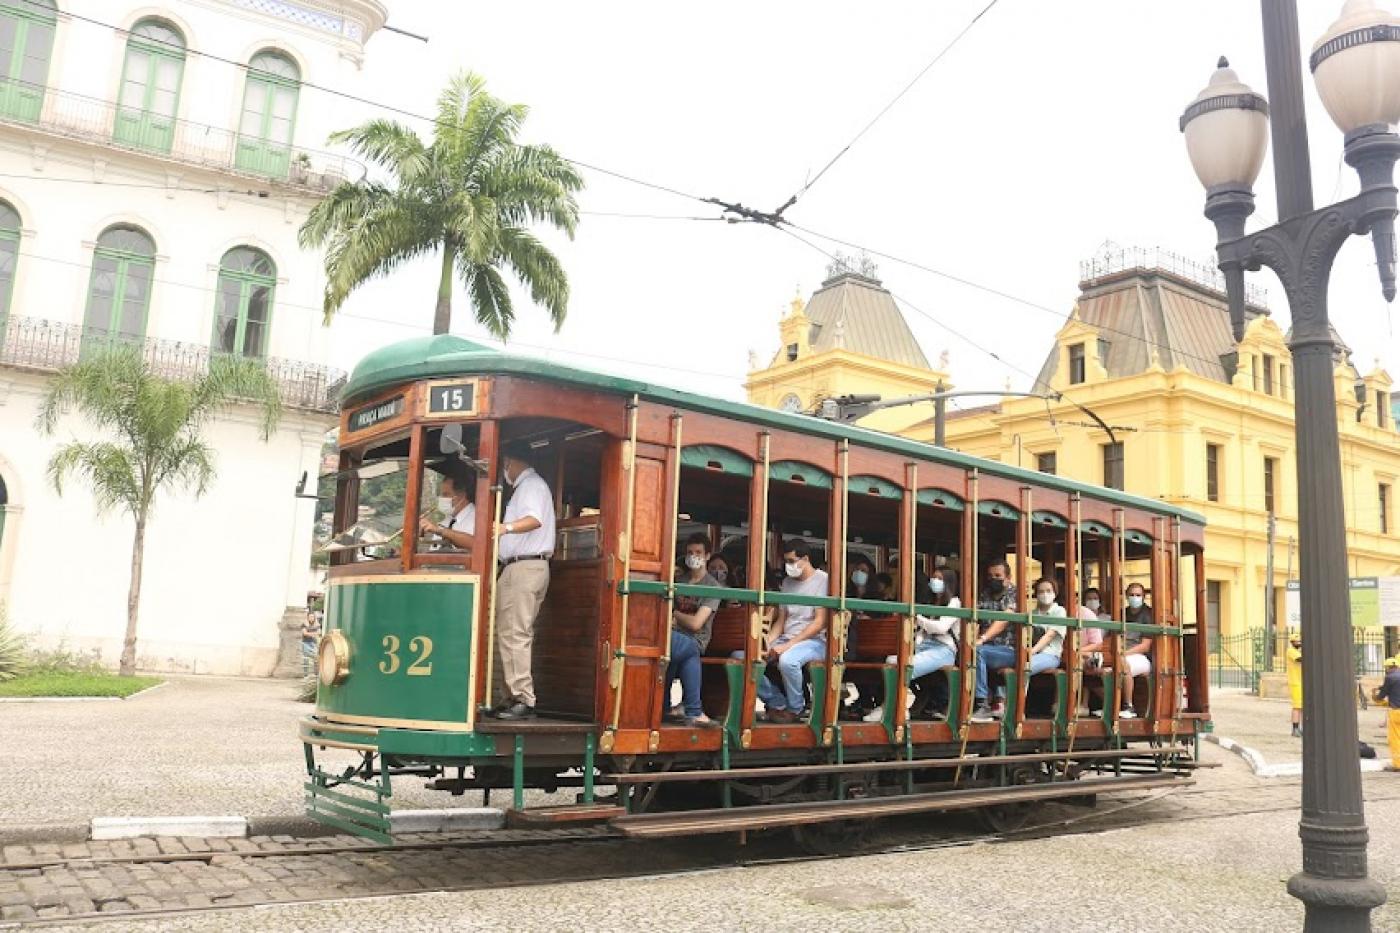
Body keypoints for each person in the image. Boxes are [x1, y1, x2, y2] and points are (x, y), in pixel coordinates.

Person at [490, 442, 556, 721]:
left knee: (515, 632)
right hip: (521, 567)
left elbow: (534, 519)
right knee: (510, 632)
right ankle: (511, 695)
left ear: (513, 462)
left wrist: (506, 527)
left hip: (525, 566)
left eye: (505, 464)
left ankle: (523, 698)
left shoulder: (531, 485)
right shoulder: (527, 487)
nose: (505, 470)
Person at [745, 539, 829, 724]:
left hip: (815, 641)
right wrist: (767, 641)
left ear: (805, 559)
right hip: (786, 637)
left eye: (791, 561)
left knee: (788, 662)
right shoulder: (787, 582)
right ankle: (777, 702)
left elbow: (819, 623)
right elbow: (782, 620)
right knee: (746, 656)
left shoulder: (823, 580)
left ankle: (795, 708)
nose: (788, 566)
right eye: (786, 561)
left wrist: (786, 646)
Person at [866, 566, 961, 723]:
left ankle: (895, 708)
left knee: (906, 665)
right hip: (923, 647)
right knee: (891, 660)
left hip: (943, 650)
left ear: (948, 583)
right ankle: (891, 706)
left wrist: (918, 618)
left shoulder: (954, 602)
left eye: (939, 579)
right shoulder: (930, 602)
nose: (934, 581)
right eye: (934, 578)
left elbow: (941, 627)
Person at [665, 533, 720, 728]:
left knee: (685, 649)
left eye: (698, 552)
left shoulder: (713, 586)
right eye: (690, 552)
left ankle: (676, 708)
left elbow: (697, 623)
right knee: (671, 649)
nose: (693, 556)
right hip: (674, 636)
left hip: (695, 640)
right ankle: (691, 711)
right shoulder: (679, 580)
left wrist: (674, 614)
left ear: (707, 556)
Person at [970, 559, 1019, 722]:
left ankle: (982, 704)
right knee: (966, 650)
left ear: (1008, 577)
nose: (994, 579)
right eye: (990, 576)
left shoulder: (1014, 594)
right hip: (988, 649)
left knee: (977, 652)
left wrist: (982, 639)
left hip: (1008, 650)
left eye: (998, 575)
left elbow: (1004, 619)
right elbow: (976, 618)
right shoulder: (985, 594)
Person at [1112, 582, 1155, 720]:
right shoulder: (1122, 613)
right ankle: (1111, 706)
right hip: (1120, 653)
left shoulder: (1148, 615)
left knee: (1125, 664)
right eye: (1131, 595)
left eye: (1138, 595)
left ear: (1144, 597)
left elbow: (1145, 646)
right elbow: (1116, 636)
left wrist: (1123, 654)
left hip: (1141, 657)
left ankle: (1129, 706)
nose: (1134, 597)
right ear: (1126, 596)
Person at [419, 467, 475, 550]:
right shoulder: (447, 521)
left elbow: (477, 545)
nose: (441, 498)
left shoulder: (479, 518)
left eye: (445, 494)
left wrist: (439, 530)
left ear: (461, 495)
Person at [1027, 577, 1068, 676]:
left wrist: (1032, 651)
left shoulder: (1059, 611)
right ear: (1036, 595)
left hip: (1050, 655)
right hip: (1032, 654)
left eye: (1048, 591)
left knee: (1025, 667)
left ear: (1055, 593)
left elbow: (1050, 635)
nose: (1045, 594)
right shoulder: (1032, 613)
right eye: (1041, 591)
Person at [1373, 655, 1400, 771]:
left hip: (1396, 712)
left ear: (1388, 668)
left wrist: (1376, 697)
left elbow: (1383, 694)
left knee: (1395, 739)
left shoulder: (1389, 677)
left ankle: (1398, 764)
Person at [1286, 632, 1303, 737]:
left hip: (1300, 682)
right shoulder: (1291, 651)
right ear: (1293, 642)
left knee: (1301, 707)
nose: (1299, 643)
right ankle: (1295, 729)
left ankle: (1299, 728)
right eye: (1298, 641)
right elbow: (1300, 659)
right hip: (1295, 682)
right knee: (1297, 706)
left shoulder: (1297, 651)